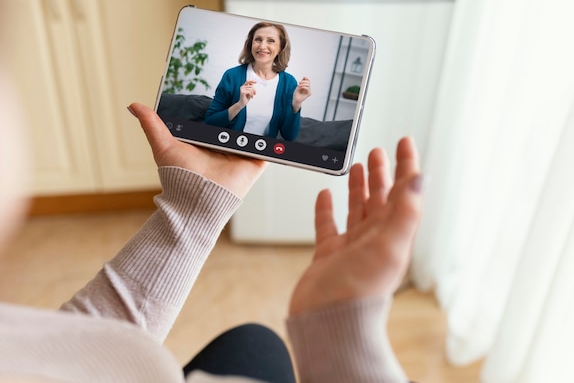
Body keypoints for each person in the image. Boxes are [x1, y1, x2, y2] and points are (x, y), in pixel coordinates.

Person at [0, 81, 422, 382]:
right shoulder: (232, 80)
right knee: (257, 348)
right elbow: (220, 118)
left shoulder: (289, 85)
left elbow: (68, 355)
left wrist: (196, 207)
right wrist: (344, 344)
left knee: (256, 344)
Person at [204, 22, 311, 140]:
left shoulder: (288, 83)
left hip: (262, 152)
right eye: (258, 39)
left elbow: (289, 136)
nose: (262, 46)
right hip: (229, 147)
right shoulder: (232, 76)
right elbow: (210, 122)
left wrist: (296, 105)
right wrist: (239, 105)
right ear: (251, 44)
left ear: (280, 48)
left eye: (270, 40)